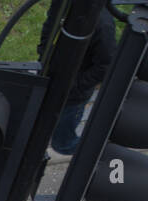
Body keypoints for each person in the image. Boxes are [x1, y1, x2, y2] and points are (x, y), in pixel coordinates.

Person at [38, 0, 116, 155]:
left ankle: (99, 152)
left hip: (72, 96)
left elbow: (105, 65)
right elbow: (50, 26)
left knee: (62, 143)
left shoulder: (102, 24)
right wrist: (44, 52)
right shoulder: (63, 6)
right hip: (49, 80)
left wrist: (74, 85)